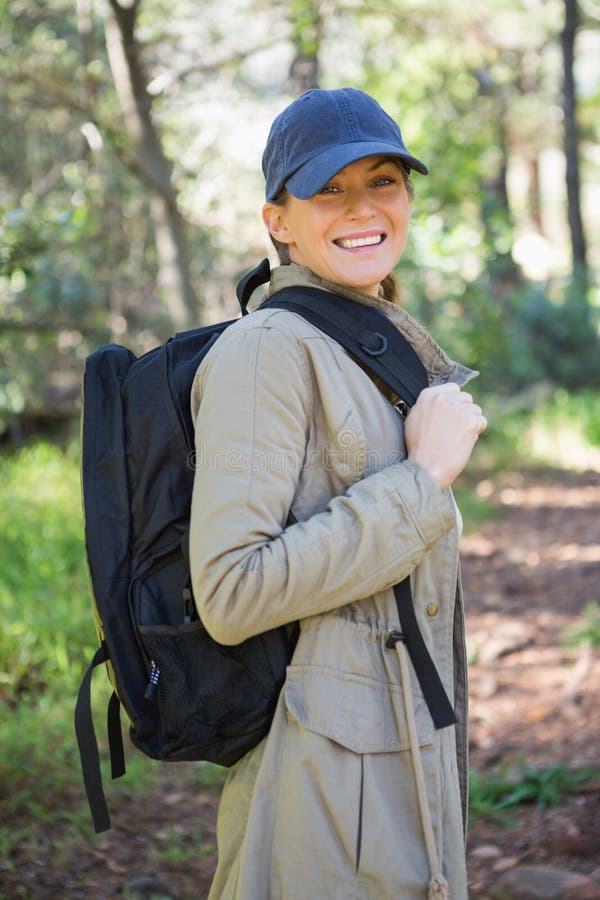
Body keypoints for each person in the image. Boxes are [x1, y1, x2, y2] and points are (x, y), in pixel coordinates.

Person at [189, 87, 486, 900]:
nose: (362, 208)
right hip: (319, 804)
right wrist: (420, 483)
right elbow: (230, 589)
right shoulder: (267, 352)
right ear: (278, 220)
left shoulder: (364, 347)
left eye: (382, 181)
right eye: (329, 189)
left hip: (394, 778)